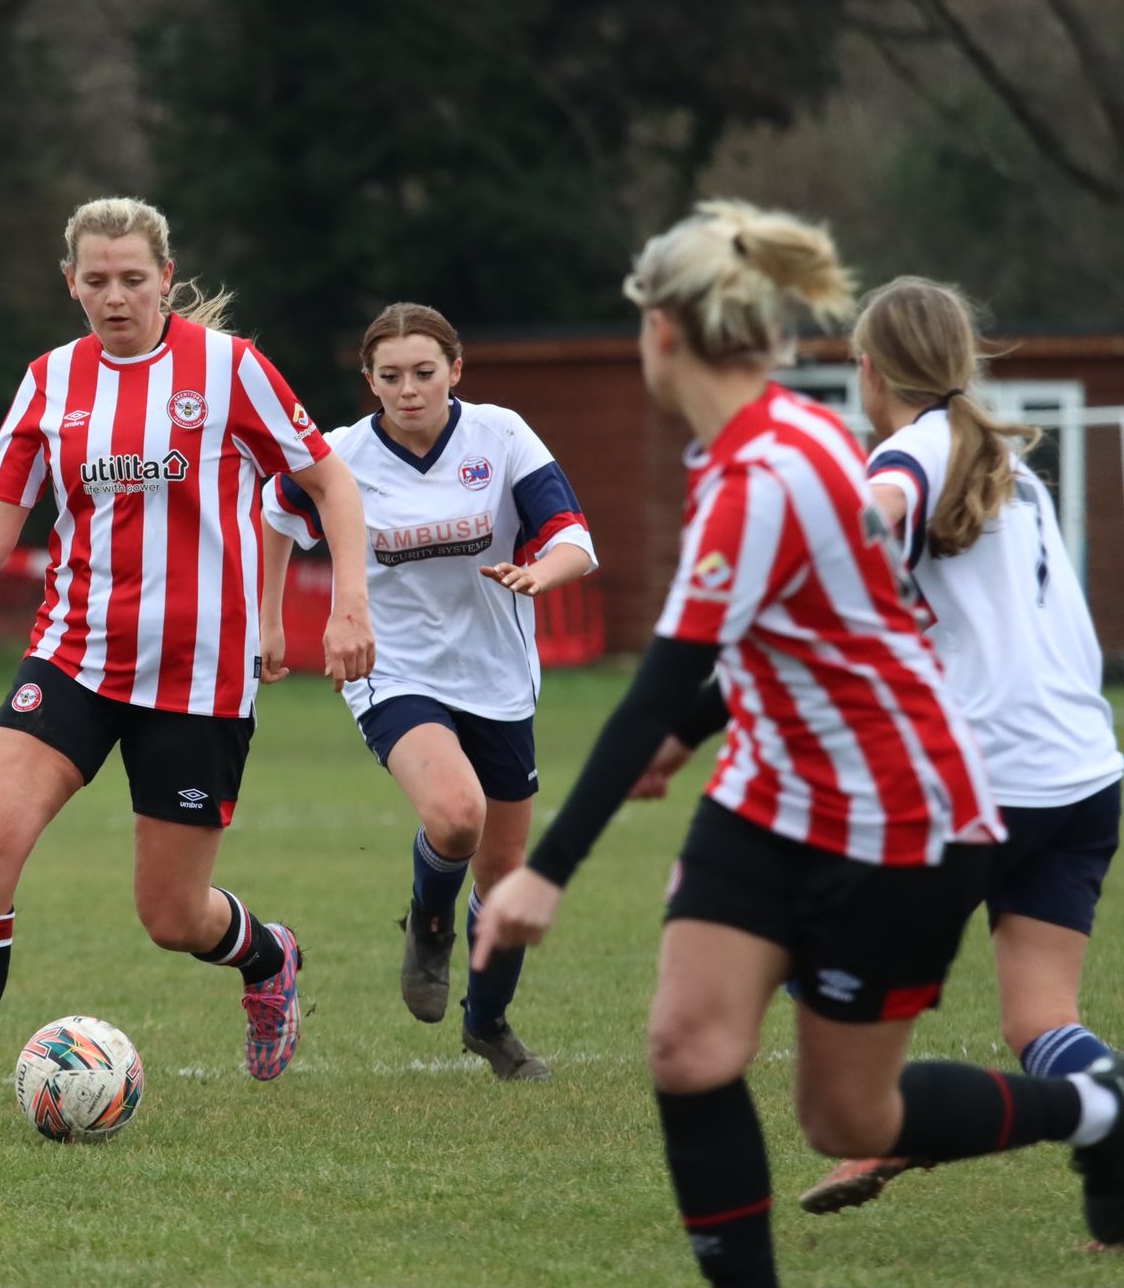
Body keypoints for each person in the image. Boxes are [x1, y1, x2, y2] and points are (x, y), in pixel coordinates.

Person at [471, 202, 1124, 1284]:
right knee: (687, 1047)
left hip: (894, 809)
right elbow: (786, 631)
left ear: (661, 332)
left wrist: (546, 870)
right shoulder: (760, 447)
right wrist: (691, 737)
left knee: (846, 1117)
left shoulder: (779, 466)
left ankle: (1093, 1107)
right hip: (770, 793)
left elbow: (664, 676)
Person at [0, 197, 377, 1141]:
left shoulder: (231, 371)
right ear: (70, 283)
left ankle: (266, 957)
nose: (115, 296)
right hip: (73, 660)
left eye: (132, 279)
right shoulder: (49, 383)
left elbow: (329, 482)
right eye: (96, 280)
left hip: (198, 682)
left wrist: (348, 604)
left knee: (172, 917)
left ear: (166, 278)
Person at [774, 279, 1117, 1213]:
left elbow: (874, 512)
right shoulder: (1009, 465)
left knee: (792, 933)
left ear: (872, 369)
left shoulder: (917, 448)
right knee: (1040, 1020)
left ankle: (885, 1123)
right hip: (1083, 776)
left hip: (986, 782)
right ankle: (1110, 1150)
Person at [258, 301, 596, 1080]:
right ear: (369, 379)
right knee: (456, 815)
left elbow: (574, 538)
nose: (407, 389)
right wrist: (269, 619)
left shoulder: (500, 437)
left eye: (423, 372)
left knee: (505, 876)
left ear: (456, 370)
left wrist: (539, 572)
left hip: (497, 676)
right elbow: (277, 511)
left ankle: (489, 1025)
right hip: (393, 669)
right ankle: (430, 924)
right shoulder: (341, 455)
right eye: (390, 375)